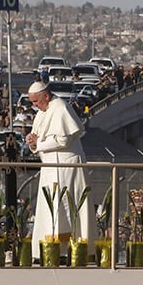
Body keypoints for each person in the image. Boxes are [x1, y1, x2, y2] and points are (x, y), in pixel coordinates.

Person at [25, 81, 93, 260]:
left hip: (66, 167)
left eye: (36, 101)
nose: (34, 106)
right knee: (49, 209)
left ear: (46, 96)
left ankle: (66, 251)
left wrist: (38, 143)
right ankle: (47, 250)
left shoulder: (61, 108)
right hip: (50, 168)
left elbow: (63, 140)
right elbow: (38, 138)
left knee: (65, 208)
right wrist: (32, 141)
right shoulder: (42, 111)